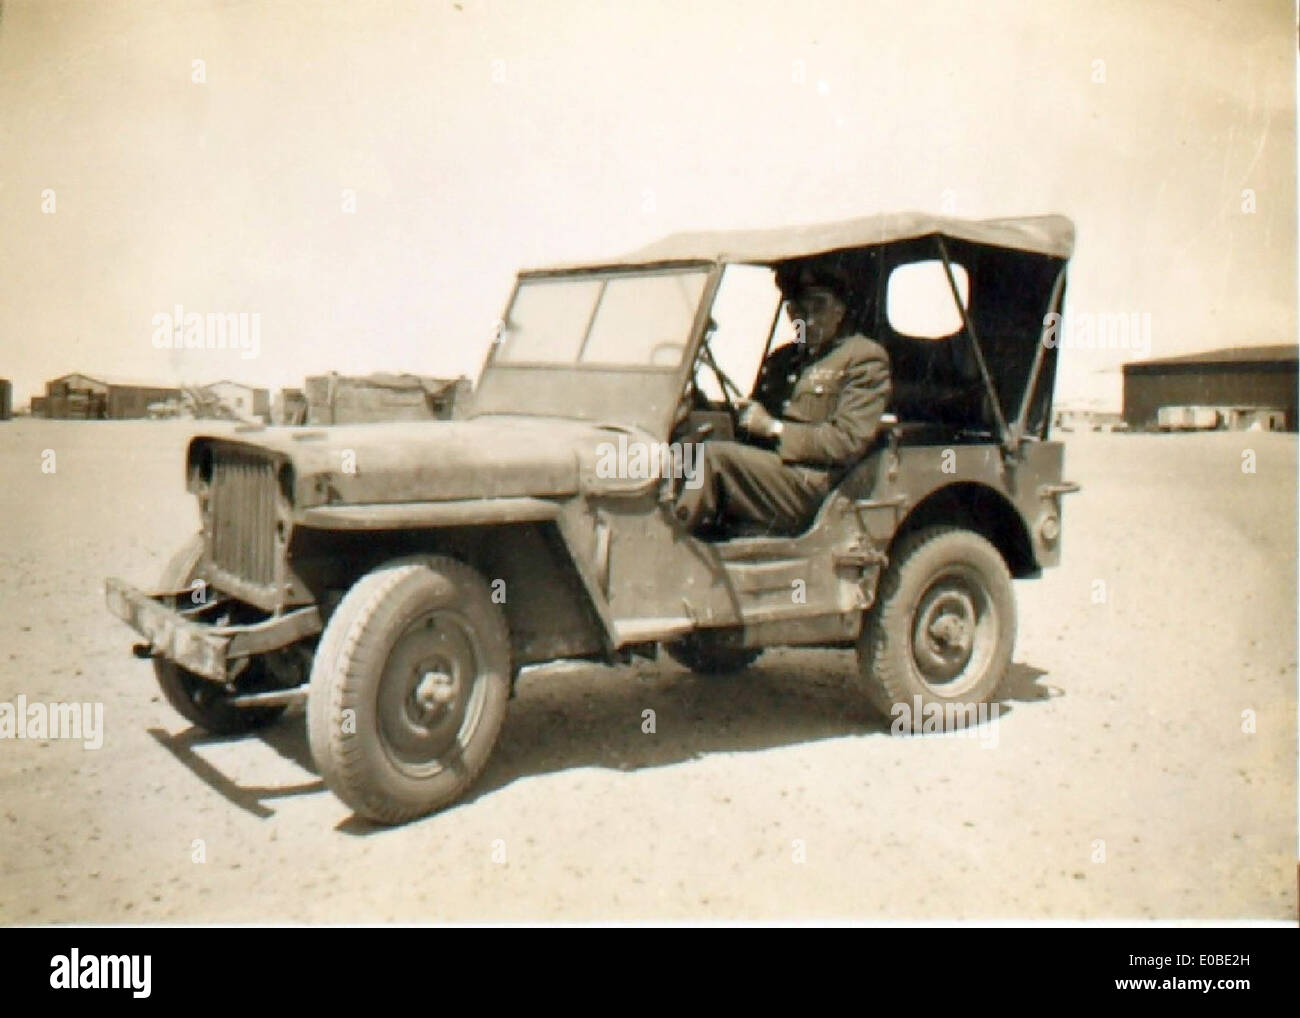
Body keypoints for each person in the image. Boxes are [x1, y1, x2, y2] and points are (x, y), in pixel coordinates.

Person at [673, 281, 892, 537]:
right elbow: (753, 421)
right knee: (685, 447)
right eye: (798, 310)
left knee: (712, 458)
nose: (807, 319)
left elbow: (848, 441)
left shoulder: (863, 357)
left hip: (817, 481)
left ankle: (671, 540)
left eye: (818, 306)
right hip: (777, 471)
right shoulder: (784, 358)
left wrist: (773, 428)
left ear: (839, 310)